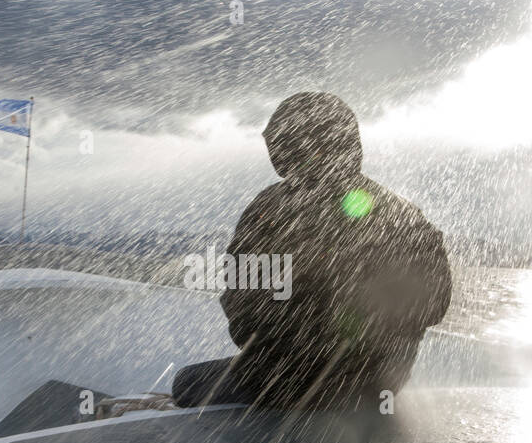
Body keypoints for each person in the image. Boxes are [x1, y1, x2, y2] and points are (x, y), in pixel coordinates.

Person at [173, 92, 452, 410]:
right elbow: (433, 303)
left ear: (285, 147)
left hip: (291, 381)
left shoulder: (271, 208)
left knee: (186, 382)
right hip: (379, 386)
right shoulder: (400, 209)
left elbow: (241, 307)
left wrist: (302, 336)